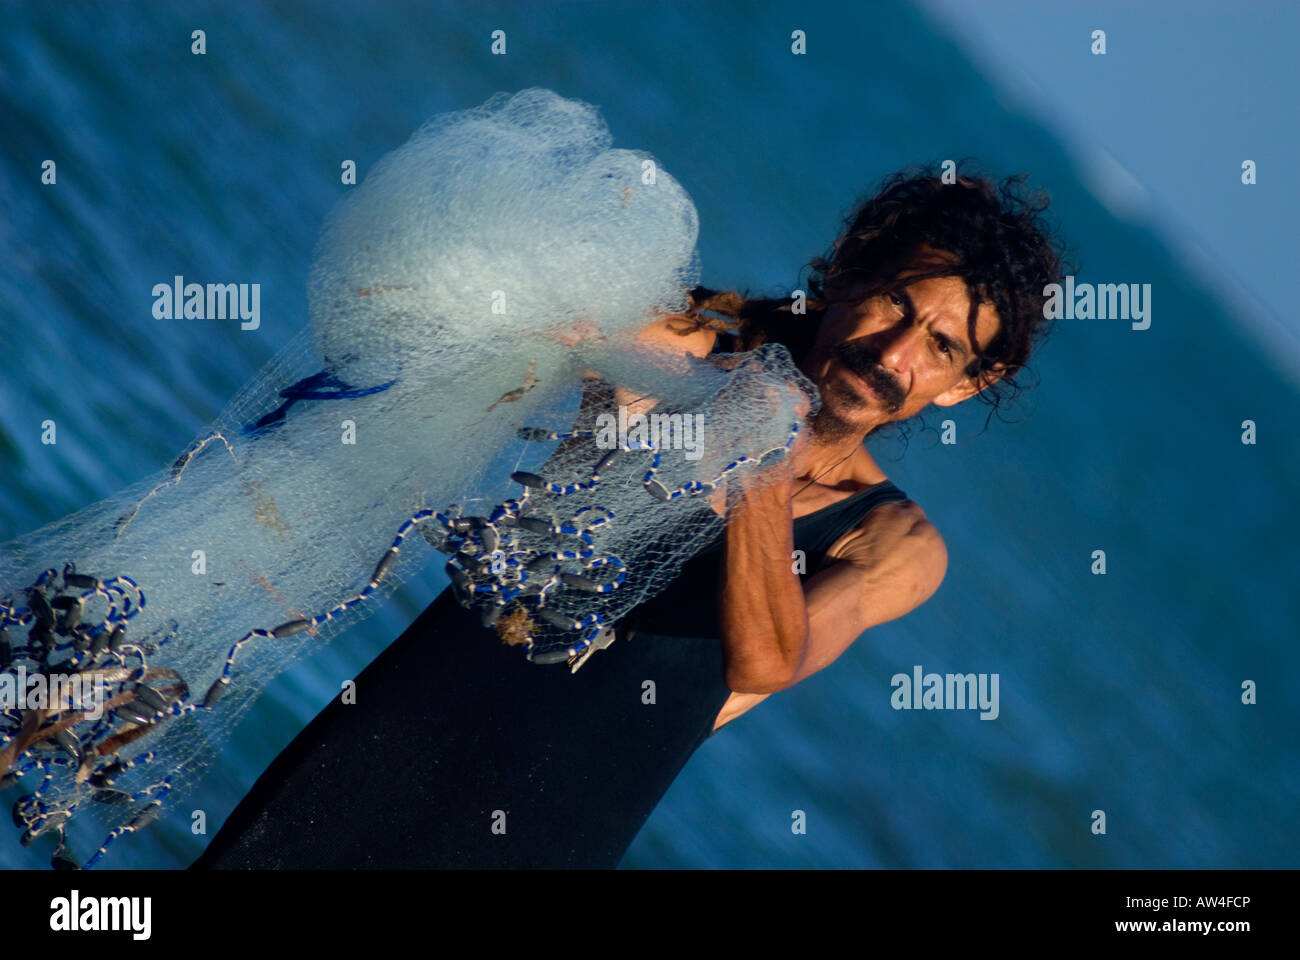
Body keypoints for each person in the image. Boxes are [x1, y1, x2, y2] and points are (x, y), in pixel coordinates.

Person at [191, 169, 1064, 868]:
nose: (895, 356)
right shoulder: (685, 344)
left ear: (966, 385)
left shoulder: (890, 542)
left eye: (943, 348)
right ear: (848, 269)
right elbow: (473, 318)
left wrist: (762, 454)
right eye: (895, 307)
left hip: (551, 836)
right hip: (388, 743)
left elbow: (766, 655)